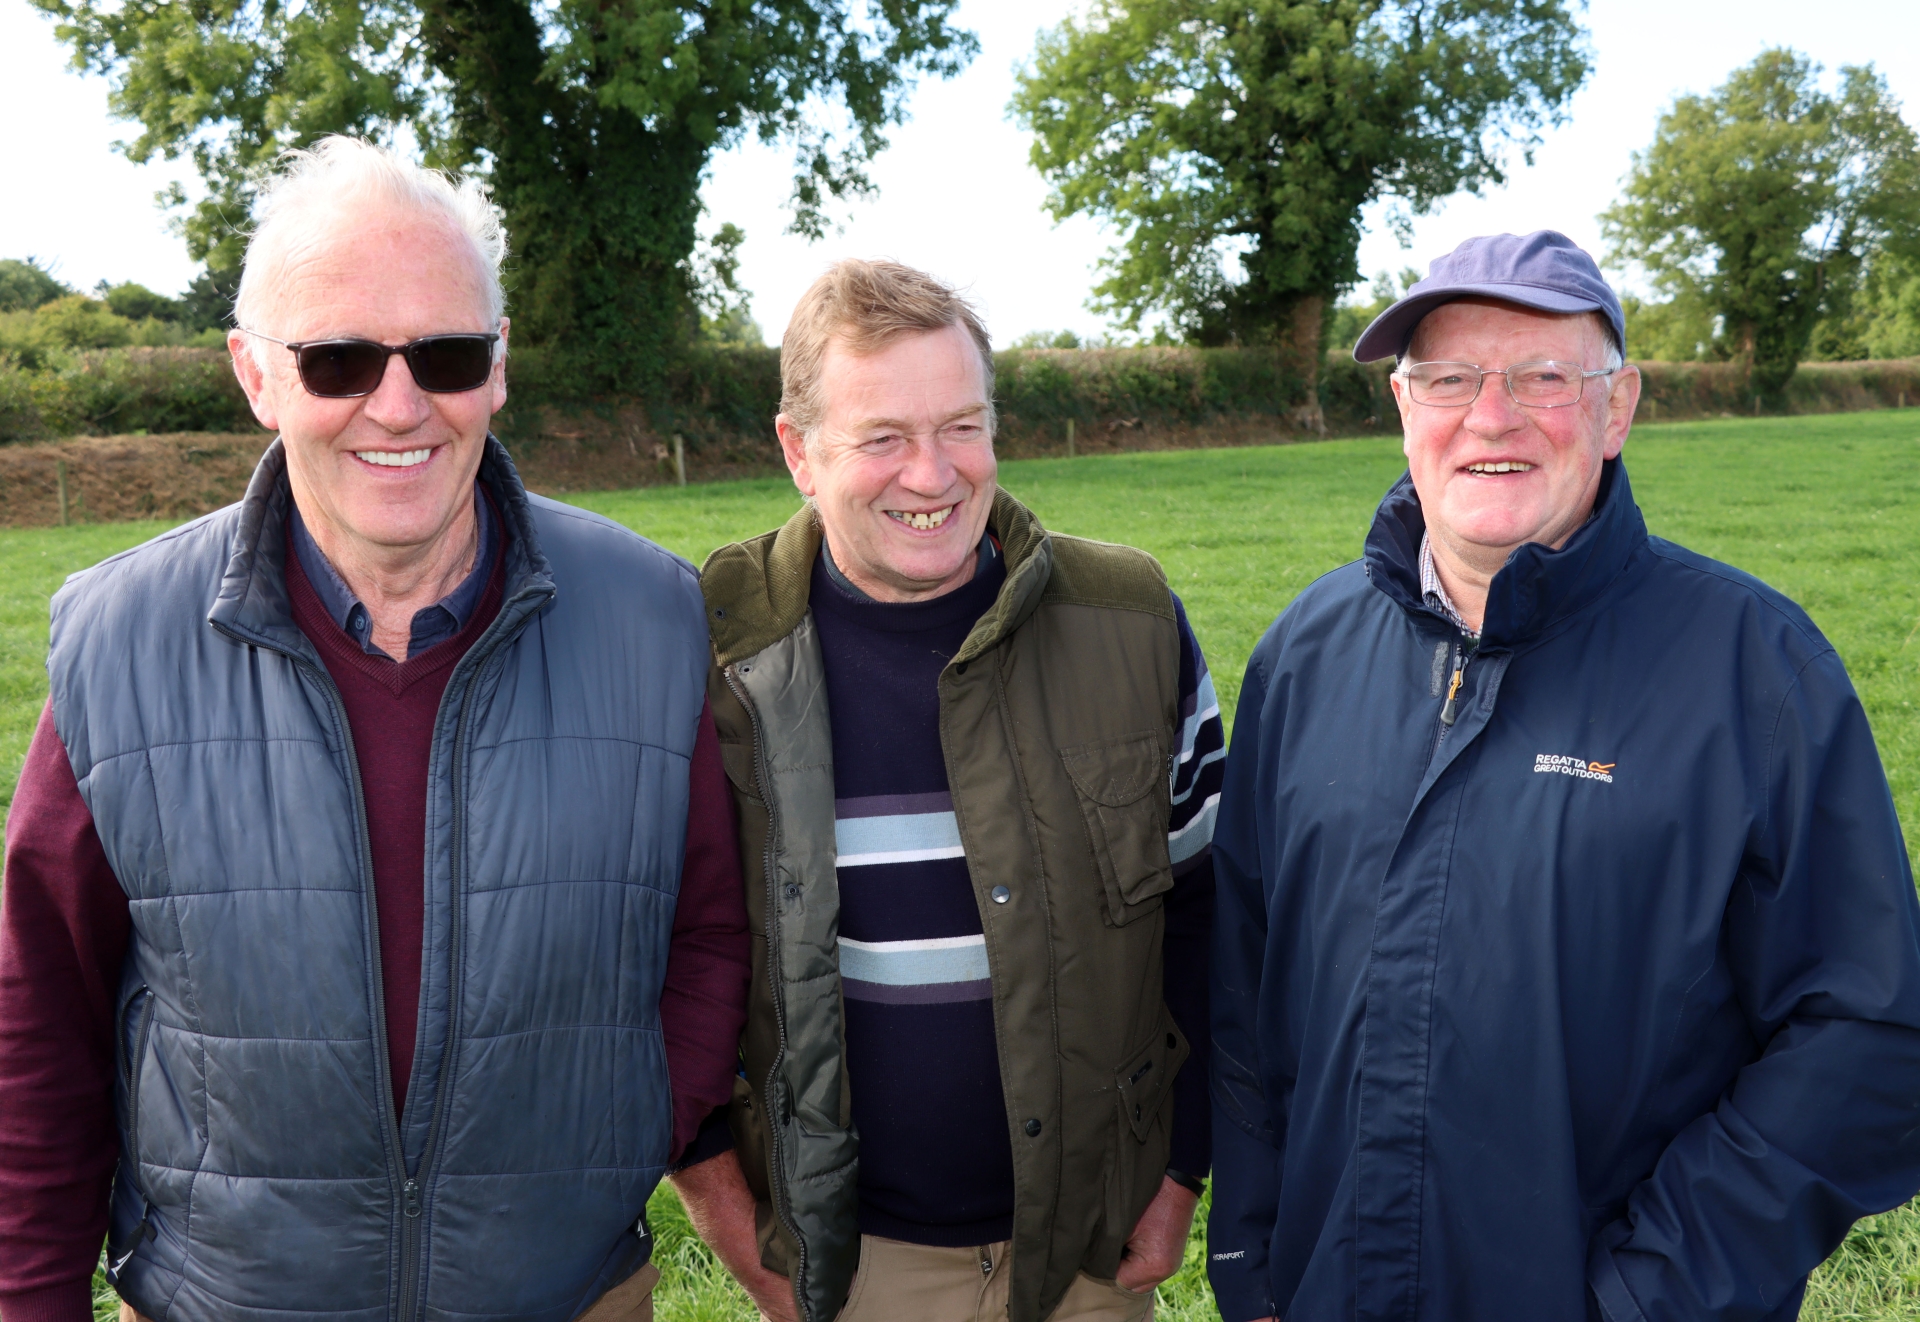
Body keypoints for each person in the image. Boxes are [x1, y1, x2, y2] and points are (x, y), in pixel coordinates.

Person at [0, 137, 750, 1322]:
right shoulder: (117, 638)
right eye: (338, 359)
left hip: (564, 1296)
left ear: (499, 368)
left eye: (445, 355)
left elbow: (710, 930)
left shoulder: (654, 613)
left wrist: (624, 1128)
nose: (397, 406)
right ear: (256, 374)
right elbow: (39, 1011)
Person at [1206, 229, 1920, 1322]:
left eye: (1544, 376)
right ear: (1403, 405)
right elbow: (1247, 991)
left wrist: (1642, 1294)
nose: (1490, 416)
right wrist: (1254, 1262)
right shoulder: (1306, 653)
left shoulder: (1755, 670)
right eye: (1449, 378)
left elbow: (1864, 1035)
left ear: (1617, 406)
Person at [670, 259, 1221, 1322]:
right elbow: (658, 964)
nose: (932, 475)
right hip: (851, 1265)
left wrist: (1180, 1172)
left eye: (961, 427)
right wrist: (740, 1231)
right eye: (882, 437)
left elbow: (1206, 920)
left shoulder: (1133, 620)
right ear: (799, 450)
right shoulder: (709, 648)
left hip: (1090, 1255)